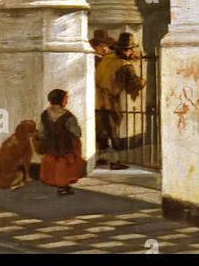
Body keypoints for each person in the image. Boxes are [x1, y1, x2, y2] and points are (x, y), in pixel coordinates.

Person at [95, 31, 145, 168]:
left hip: (97, 102)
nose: (131, 52)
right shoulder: (125, 66)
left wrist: (131, 58)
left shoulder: (107, 58)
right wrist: (141, 82)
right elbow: (131, 86)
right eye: (130, 50)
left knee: (101, 132)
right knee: (113, 132)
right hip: (110, 102)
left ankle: (101, 159)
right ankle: (114, 162)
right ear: (126, 50)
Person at [37, 89, 86, 196]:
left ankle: (59, 185)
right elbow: (76, 132)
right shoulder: (68, 116)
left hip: (50, 144)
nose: (67, 101)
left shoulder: (45, 114)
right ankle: (63, 186)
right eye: (65, 98)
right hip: (65, 144)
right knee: (64, 164)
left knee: (53, 163)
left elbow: (41, 132)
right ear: (60, 99)